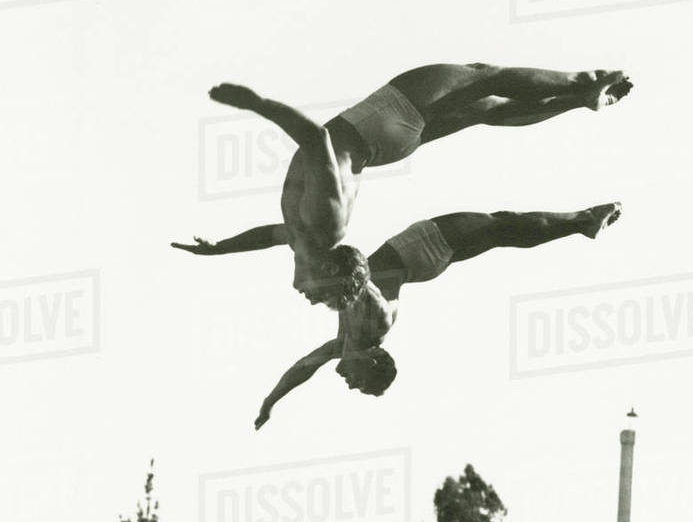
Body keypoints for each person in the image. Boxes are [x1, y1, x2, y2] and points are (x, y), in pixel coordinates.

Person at [172, 64, 632, 308]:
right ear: (326, 270)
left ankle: (578, 101)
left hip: (386, 140)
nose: (307, 297)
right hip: (381, 124)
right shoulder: (324, 227)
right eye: (319, 294)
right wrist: (255, 103)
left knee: (488, 109)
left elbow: (267, 236)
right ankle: (587, 82)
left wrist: (220, 249)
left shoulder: (303, 240)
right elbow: (316, 140)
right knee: (483, 77)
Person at [253, 201, 622, 427]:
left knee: (504, 226)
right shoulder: (376, 326)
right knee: (501, 226)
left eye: (355, 385)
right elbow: (365, 284)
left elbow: (302, 368)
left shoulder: (342, 343)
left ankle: (582, 221)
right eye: (359, 382)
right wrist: (335, 271)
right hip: (425, 247)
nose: (348, 383)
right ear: (372, 359)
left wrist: (271, 401)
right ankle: (582, 221)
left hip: (422, 254)